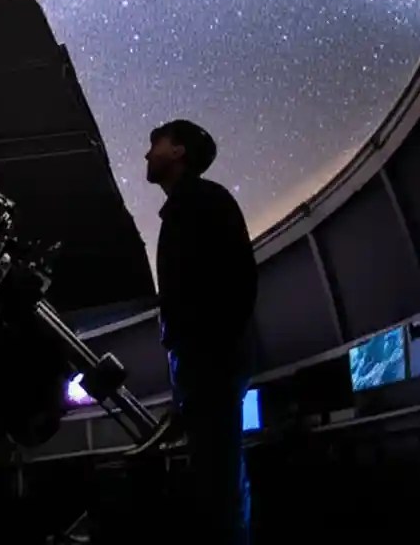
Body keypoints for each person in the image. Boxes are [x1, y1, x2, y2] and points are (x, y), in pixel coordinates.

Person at [145, 119, 257, 544]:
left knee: (221, 483)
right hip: (202, 367)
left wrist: (205, 361)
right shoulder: (185, 208)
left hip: (212, 364)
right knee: (215, 479)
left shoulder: (204, 203)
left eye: (156, 144)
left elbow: (237, 284)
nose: (147, 153)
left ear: (178, 152)